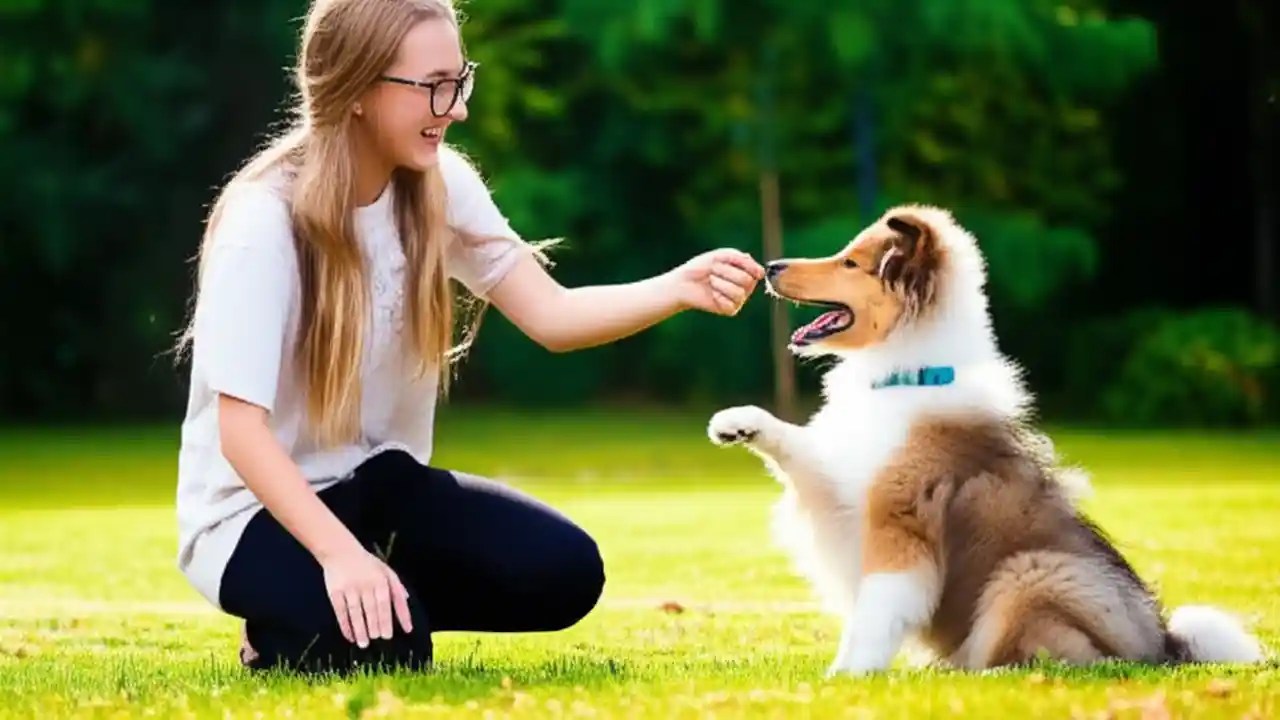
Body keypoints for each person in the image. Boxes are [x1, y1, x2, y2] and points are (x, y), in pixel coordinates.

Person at [174, 0, 764, 674]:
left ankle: (364, 602)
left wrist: (678, 287)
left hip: (376, 486)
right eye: (434, 86)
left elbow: (553, 316)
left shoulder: (439, 185)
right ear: (359, 90)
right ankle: (295, 618)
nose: (456, 109)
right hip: (253, 516)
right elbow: (241, 434)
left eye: (460, 80)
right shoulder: (265, 222)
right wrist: (339, 557)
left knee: (565, 571)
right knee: (389, 651)